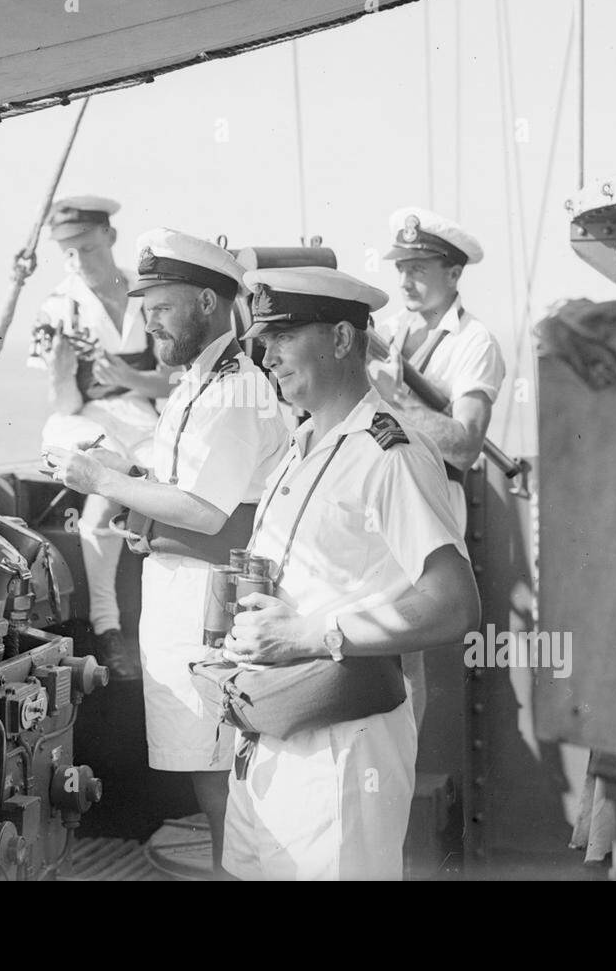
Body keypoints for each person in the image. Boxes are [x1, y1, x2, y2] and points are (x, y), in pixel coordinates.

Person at [219, 265, 480, 881]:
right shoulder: (300, 446)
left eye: (284, 337)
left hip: (341, 746)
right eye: (263, 339)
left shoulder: (392, 453)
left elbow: (454, 605)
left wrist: (310, 634)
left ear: (340, 339)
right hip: (266, 735)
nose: (267, 354)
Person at [43, 229, 289, 865]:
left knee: (220, 773)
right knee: (209, 768)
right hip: (186, 597)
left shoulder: (234, 388)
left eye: (162, 307)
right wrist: (140, 510)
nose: (148, 321)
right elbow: (188, 490)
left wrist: (101, 479)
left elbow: (208, 513)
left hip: (211, 604)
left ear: (209, 302)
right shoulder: (194, 384)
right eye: (144, 307)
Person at [33, 195, 174, 679]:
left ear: (110, 237)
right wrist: (61, 371)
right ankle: (108, 628)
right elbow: (66, 405)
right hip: (87, 420)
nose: (77, 261)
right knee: (104, 458)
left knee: (122, 498)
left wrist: (129, 378)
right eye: (67, 252)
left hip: (141, 416)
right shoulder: (57, 307)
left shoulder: (150, 296)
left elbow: (172, 382)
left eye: (87, 249)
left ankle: (117, 628)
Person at [367, 207, 506, 534]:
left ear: (454, 273)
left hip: (431, 500)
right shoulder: (385, 332)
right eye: (400, 269)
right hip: (376, 490)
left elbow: (465, 448)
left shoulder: (475, 342)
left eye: (416, 270)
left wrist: (396, 398)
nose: (404, 282)